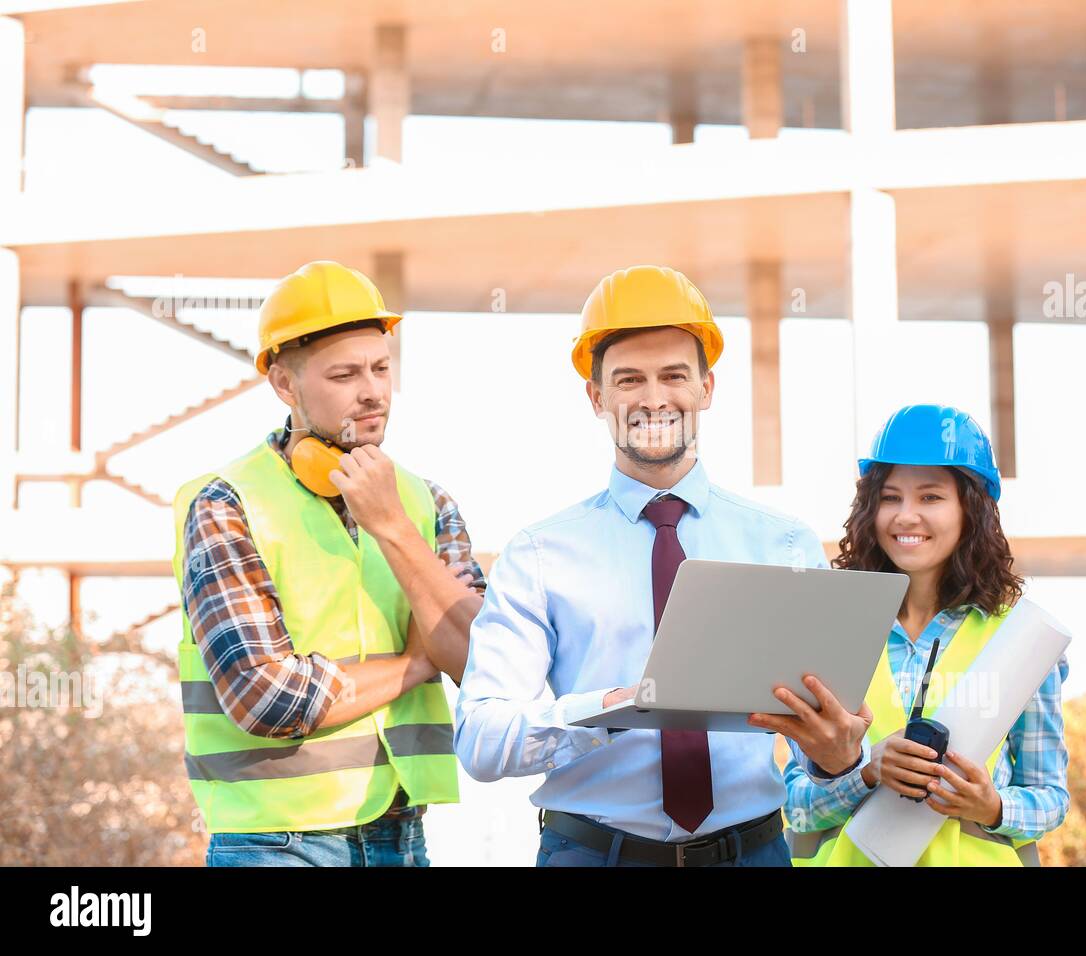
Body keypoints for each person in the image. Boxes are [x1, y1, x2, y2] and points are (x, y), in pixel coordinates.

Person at [453, 264, 869, 867]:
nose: (653, 398)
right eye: (629, 380)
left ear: (707, 388)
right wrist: (612, 709)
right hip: (592, 853)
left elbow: (817, 759)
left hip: (750, 852)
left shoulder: (783, 545)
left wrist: (840, 756)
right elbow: (482, 743)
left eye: (674, 375)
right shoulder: (541, 555)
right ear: (597, 397)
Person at [171, 260, 485, 866]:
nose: (372, 391)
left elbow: (483, 660)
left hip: (403, 834)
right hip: (275, 846)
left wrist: (392, 525)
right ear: (284, 387)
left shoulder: (426, 503)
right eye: (344, 374)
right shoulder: (227, 504)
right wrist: (420, 661)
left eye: (381, 368)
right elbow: (263, 696)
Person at [780, 404, 1069, 866]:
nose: (905, 516)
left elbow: (1051, 796)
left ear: (969, 510)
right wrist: (867, 772)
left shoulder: (1020, 641)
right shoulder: (831, 629)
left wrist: (992, 806)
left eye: (930, 498)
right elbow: (794, 804)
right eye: (890, 498)